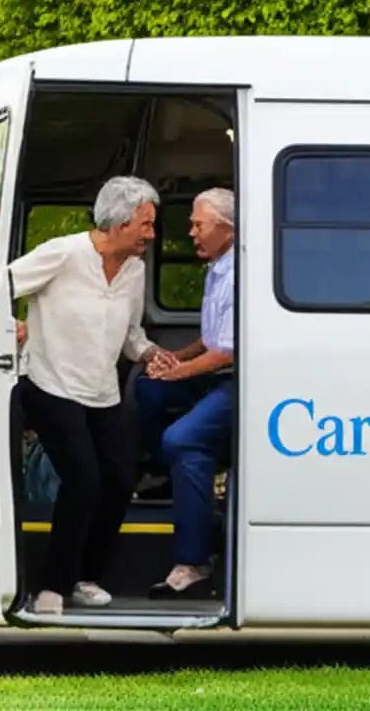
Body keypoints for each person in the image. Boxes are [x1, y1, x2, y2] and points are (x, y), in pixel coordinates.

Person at [8, 175, 171, 615]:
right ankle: (51, 588)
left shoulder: (134, 272)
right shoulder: (63, 254)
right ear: (119, 222)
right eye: (147, 224)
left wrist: (152, 354)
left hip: (102, 393)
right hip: (50, 385)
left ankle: (86, 576)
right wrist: (10, 325)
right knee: (82, 479)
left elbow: (131, 335)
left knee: (119, 481)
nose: (151, 235)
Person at [134, 187, 236, 598]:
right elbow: (211, 337)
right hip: (215, 371)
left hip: (237, 381)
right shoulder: (217, 267)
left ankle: (194, 562)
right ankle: (171, 478)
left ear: (226, 228)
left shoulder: (241, 272)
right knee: (148, 389)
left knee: (183, 439)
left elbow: (227, 352)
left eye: (198, 224)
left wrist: (181, 374)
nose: (191, 232)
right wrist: (174, 360)